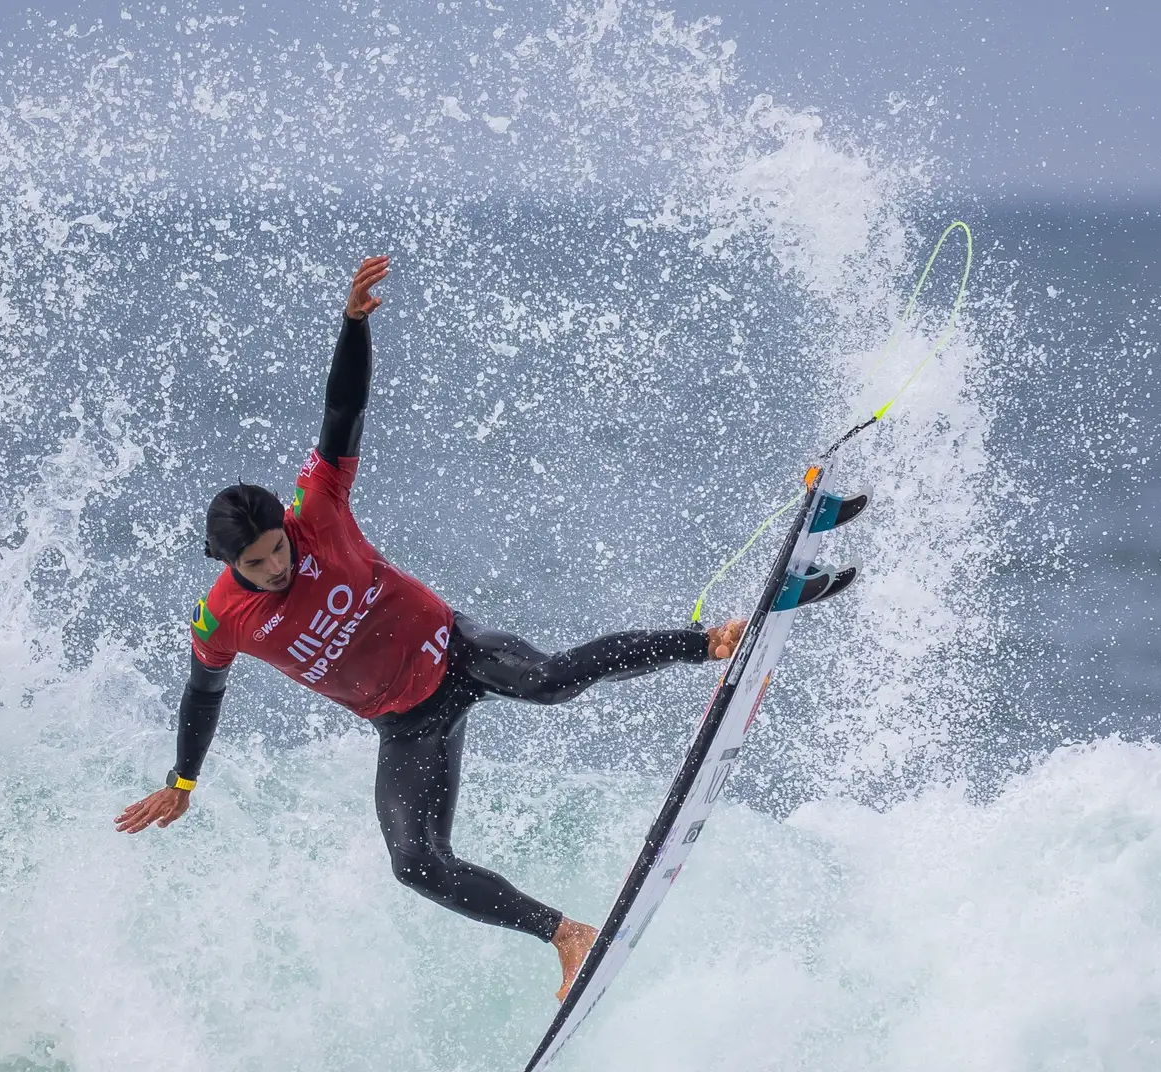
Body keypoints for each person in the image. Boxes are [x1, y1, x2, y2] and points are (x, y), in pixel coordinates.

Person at [113, 256, 747, 999]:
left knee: (547, 682)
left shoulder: (315, 510)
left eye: (279, 547)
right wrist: (183, 780)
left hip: (457, 651)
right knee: (414, 863)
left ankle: (707, 642)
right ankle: (568, 934)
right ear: (228, 565)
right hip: (407, 723)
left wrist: (352, 326)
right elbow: (202, 692)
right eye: (259, 563)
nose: (278, 563)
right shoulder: (224, 617)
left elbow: (342, 413)